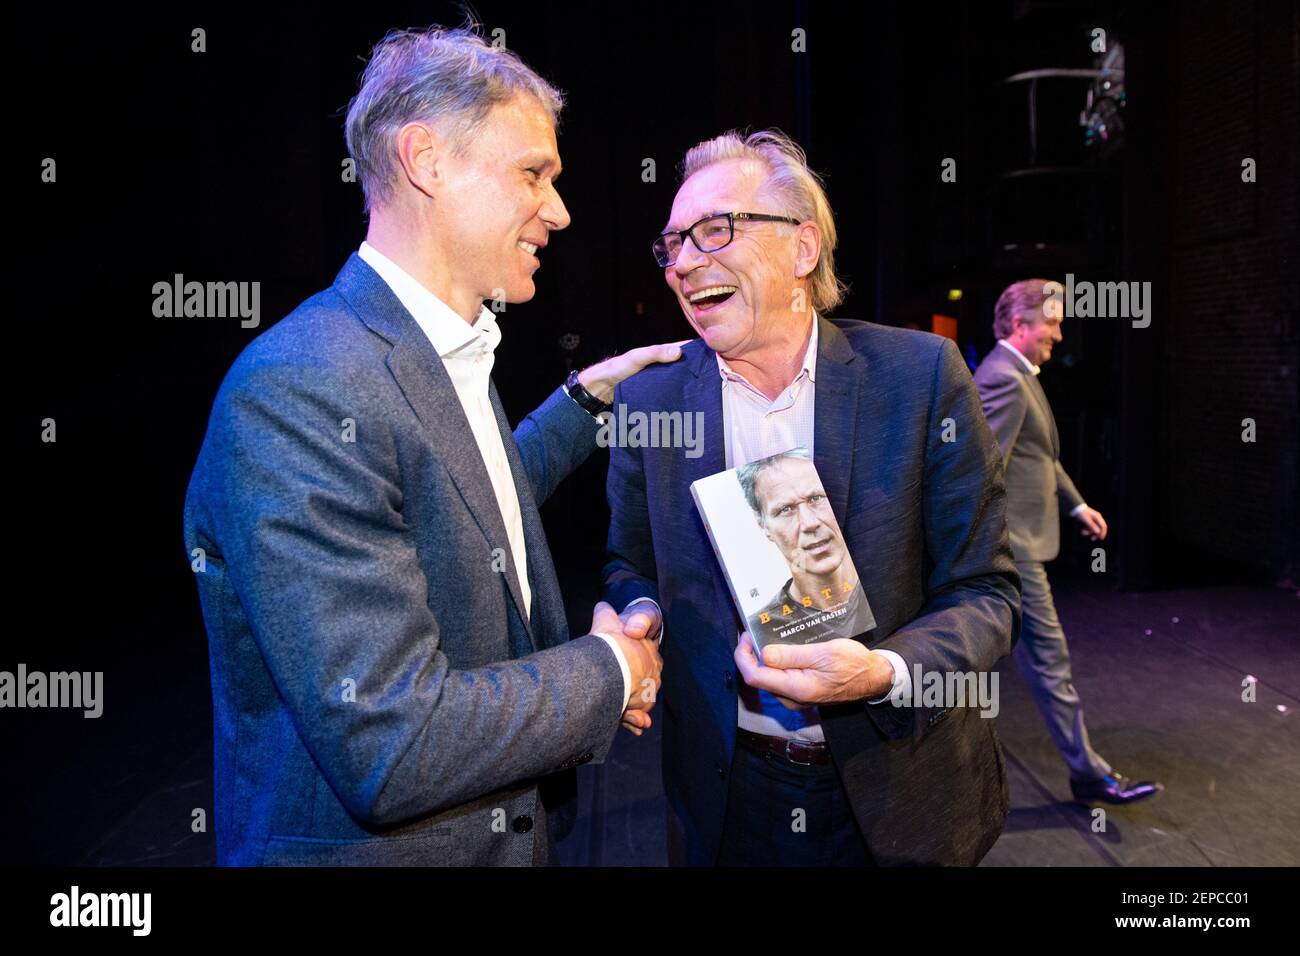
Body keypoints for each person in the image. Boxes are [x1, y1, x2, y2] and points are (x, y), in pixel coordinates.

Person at [183, 24, 675, 866]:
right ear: (426, 160)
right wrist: (611, 669)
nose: (559, 210)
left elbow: (456, 502)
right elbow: (392, 741)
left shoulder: (438, 352)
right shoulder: (301, 386)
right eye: (534, 173)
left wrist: (587, 399)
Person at [603, 129, 1020, 866]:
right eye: (672, 243)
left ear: (802, 249)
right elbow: (627, 563)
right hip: (730, 801)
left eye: (715, 230)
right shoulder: (651, 401)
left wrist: (880, 673)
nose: (684, 263)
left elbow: (986, 592)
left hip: (903, 792)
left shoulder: (920, 377)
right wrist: (640, 613)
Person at [974, 279, 1163, 806]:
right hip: (1016, 550)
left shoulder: (1021, 374)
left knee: (1010, 660)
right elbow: (983, 468)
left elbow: (1041, 455)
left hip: (1022, 545)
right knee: (1047, 658)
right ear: (1020, 325)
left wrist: (1076, 504)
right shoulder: (1003, 379)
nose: (1059, 333)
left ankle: (1084, 771)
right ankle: (1089, 774)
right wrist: (987, 551)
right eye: (1052, 322)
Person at [736, 448, 873, 647]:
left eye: (816, 498)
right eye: (785, 510)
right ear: (763, 525)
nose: (810, 523)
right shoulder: (762, 631)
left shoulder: (884, 587)